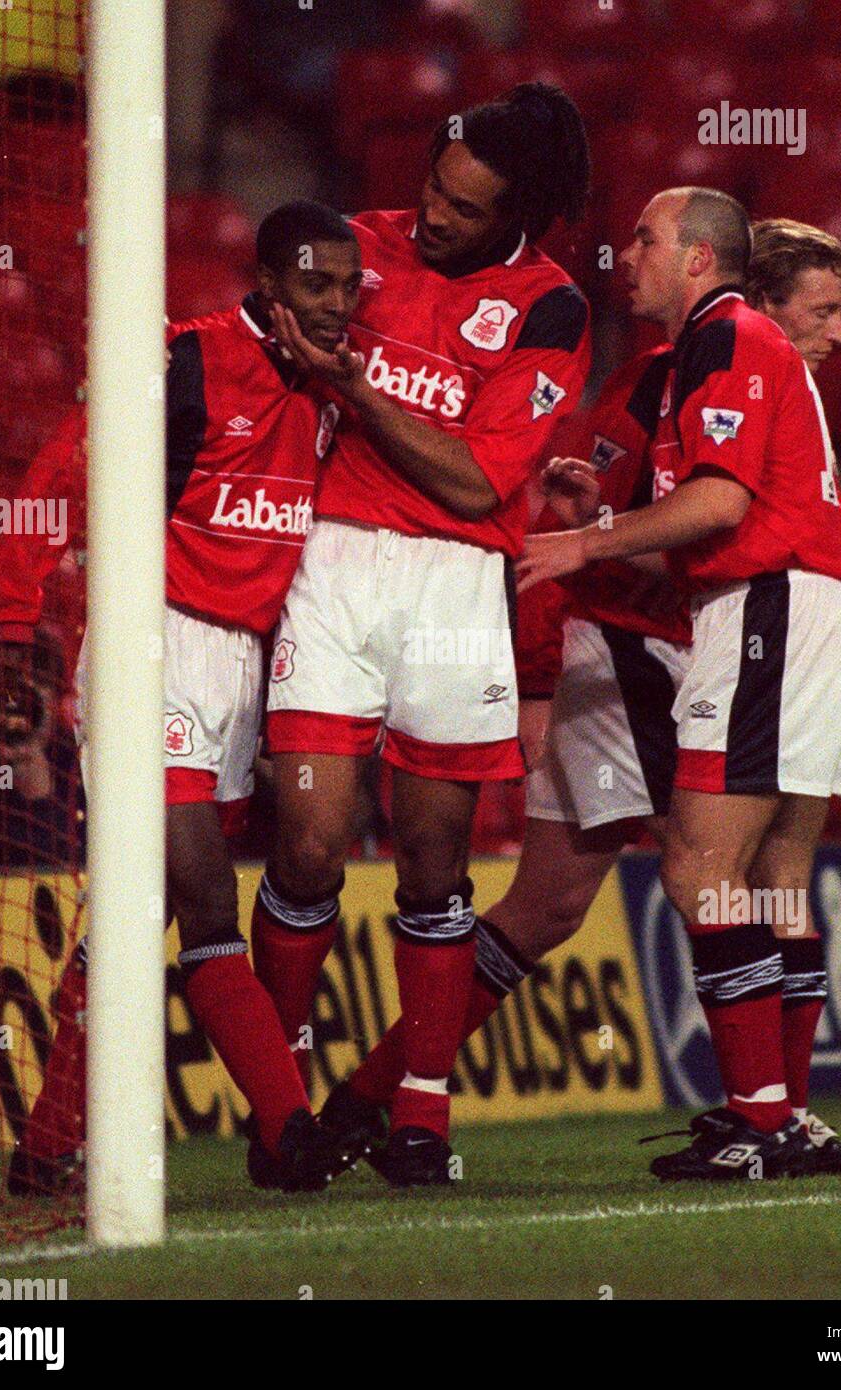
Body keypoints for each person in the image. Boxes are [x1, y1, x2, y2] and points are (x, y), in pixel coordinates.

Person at [324, 214, 841, 1176]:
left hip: (727, 634)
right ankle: (383, 1098)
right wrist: (542, 669)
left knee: (724, 878)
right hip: (636, 654)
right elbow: (593, 531)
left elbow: (669, 521)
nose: (836, 334)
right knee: (604, 892)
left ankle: (776, 1114)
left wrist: (601, 536)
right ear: (763, 300)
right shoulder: (676, 374)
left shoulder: (753, 373)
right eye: (820, 311)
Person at [0, 200, 364, 1196]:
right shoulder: (187, 360)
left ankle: (49, 1141)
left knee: (138, 906)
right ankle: (288, 1129)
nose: (335, 305)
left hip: (238, 668)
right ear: (268, 285)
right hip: (153, 644)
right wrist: (11, 623)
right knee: (203, 894)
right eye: (314, 285)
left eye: (346, 288)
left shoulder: (334, 392)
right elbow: (65, 465)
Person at [251, 83, 592, 1186]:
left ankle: (422, 1118)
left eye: (466, 208)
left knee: (434, 864)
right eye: (435, 189)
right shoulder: (351, 247)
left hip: (455, 587)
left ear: (519, 216)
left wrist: (354, 389)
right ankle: (285, 1107)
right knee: (308, 842)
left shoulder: (550, 309)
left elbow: (475, 479)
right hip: (337, 564)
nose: (435, 214)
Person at [515, 188, 841, 1181]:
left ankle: (758, 1124)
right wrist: (615, 530)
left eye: (646, 238)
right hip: (800, 608)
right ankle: (786, 1117)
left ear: (701, 260)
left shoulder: (724, 337)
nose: (627, 253)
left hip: (765, 614)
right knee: (776, 879)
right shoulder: (736, 352)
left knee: (697, 873)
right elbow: (710, 522)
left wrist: (586, 541)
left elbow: (722, 501)